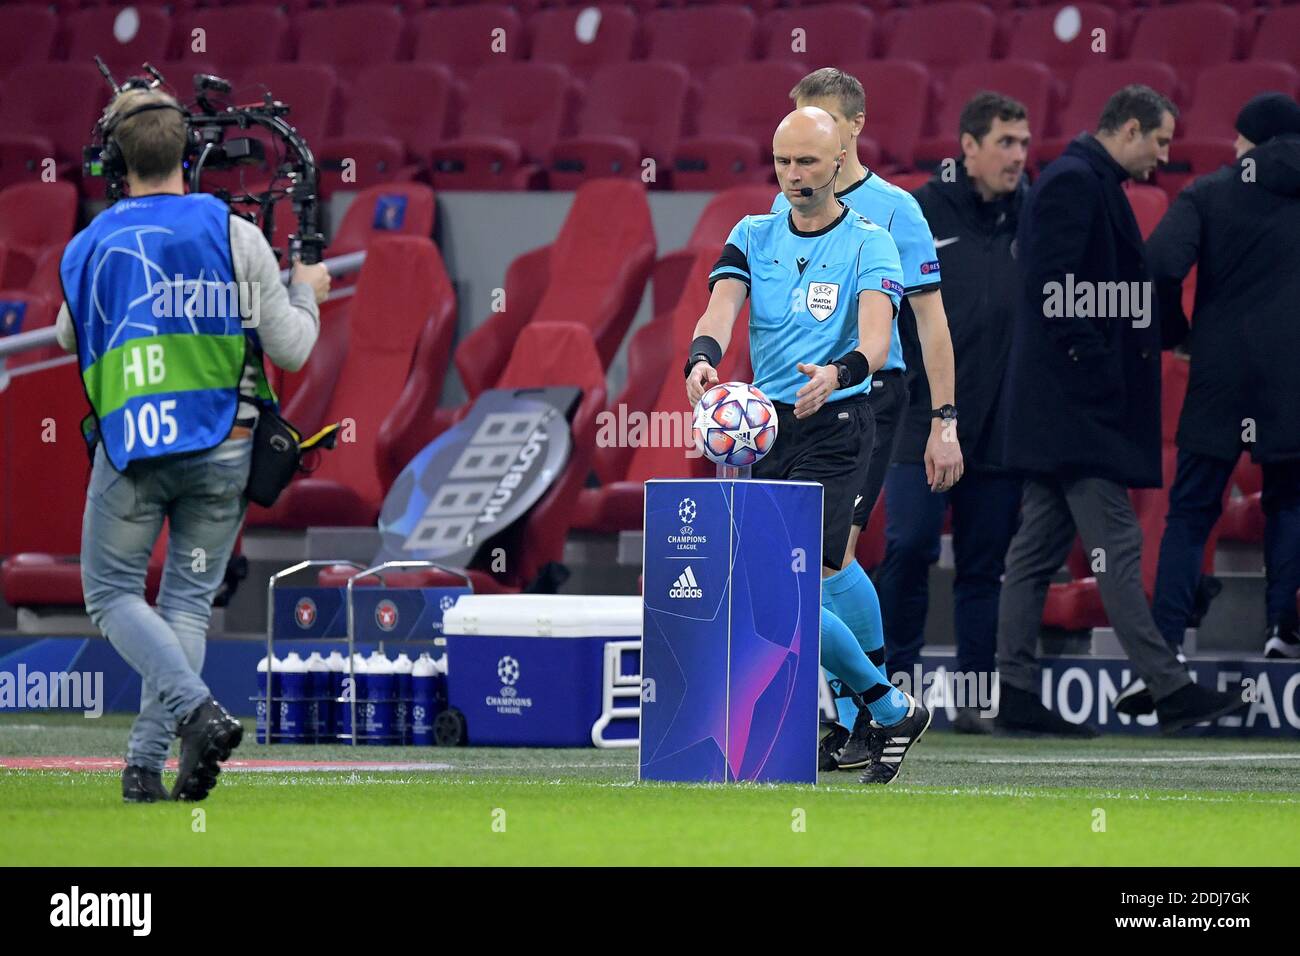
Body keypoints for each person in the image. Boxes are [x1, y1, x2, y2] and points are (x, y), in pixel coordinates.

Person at [55, 87, 330, 801]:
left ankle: (189, 720)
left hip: (136, 453)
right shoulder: (234, 233)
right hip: (226, 452)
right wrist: (307, 292)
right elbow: (293, 349)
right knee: (183, 606)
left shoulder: (90, 244)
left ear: (118, 159)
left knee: (112, 592)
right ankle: (150, 762)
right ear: (189, 154)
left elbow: (64, 335)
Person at [994, 85, 1248, 736]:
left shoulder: (1080, 179)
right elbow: (1052, 287)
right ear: (1130, 129)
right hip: (1076, 412)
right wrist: (1096, 369)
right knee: (1118, 542)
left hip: (1063, 409)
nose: (1163, 157)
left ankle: (1017, 691)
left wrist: (1163, 338)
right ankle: (1168, 687)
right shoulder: (1076, 183)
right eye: (1160, 141)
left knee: (1033, 552)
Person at [685, 107, 930, 784]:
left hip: (840, 424)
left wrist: (838, 373)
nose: (795, 175)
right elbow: (720, 308)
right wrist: (701, 359)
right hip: (767, 430)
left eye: (810, 163)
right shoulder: (751, 233)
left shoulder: (869, 242)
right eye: (785, 162)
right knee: (782, 592)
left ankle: (875, 708)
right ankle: (888, 708)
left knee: (790, 590)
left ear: (838, 161)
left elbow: (877, 342)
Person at [769, 68, 961, 730]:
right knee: (818, 563)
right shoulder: (781, 207)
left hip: (869, 393)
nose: (805, 145)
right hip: (799, 397)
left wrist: (945, 419)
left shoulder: (896, 210)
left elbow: (931, 322)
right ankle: (865, 710)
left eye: (819, 123)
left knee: (825, 563)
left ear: (852, 128)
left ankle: (868, 711)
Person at [874, 92, 1030, 733]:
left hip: (1001, 422)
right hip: (921, 414)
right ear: (968, 147)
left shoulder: (1036, 215)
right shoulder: (920, 210)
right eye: (1004, 143)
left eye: (1023, 143)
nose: (1017, 157)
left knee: (982, 564)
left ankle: (974, 700)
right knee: (908, 546)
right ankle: (893, 690)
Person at [1138, 93, 1300, 690]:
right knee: (1290, 502)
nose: (1232, 149)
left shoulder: (1210, 192)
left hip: (1220, 372)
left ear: (1254, 139)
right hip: (1294, 378)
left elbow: (1157, 268)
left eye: (1238, 138)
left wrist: (1179, 333)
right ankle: (1284, 629)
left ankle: (1168, 644)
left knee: (1191, 509)